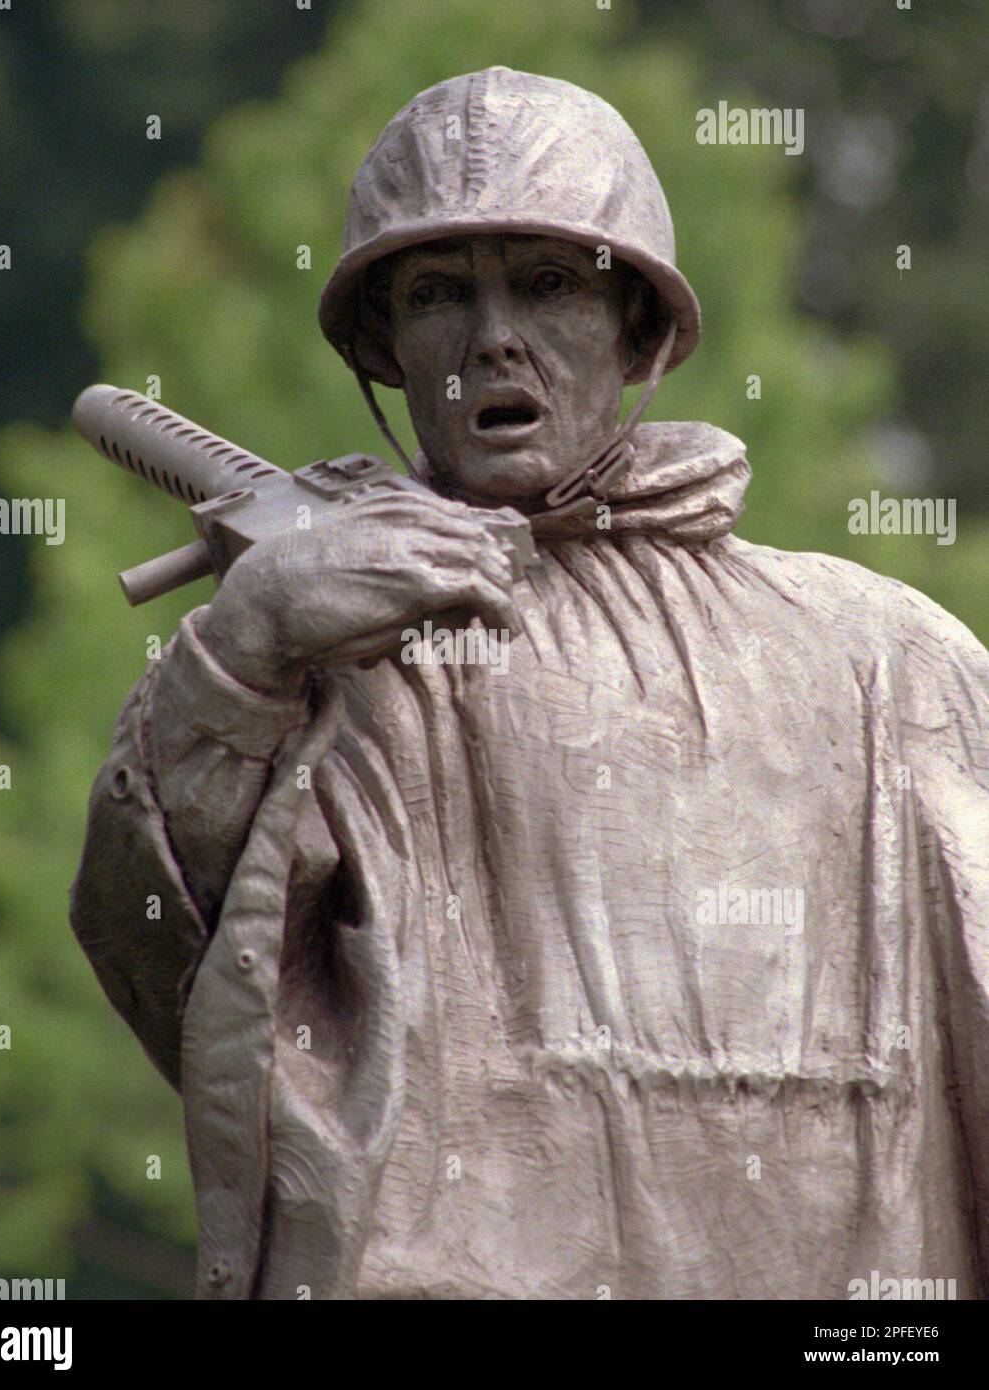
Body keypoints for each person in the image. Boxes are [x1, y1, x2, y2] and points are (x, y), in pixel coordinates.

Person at [71, 67, 989, 1300]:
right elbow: (169, 965)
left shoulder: (890, 657)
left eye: (548, 282)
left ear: (639, 329)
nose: (493, 335)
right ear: (387, 349)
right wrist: (243, 653)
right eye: (441, 294)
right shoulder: (322, 656)